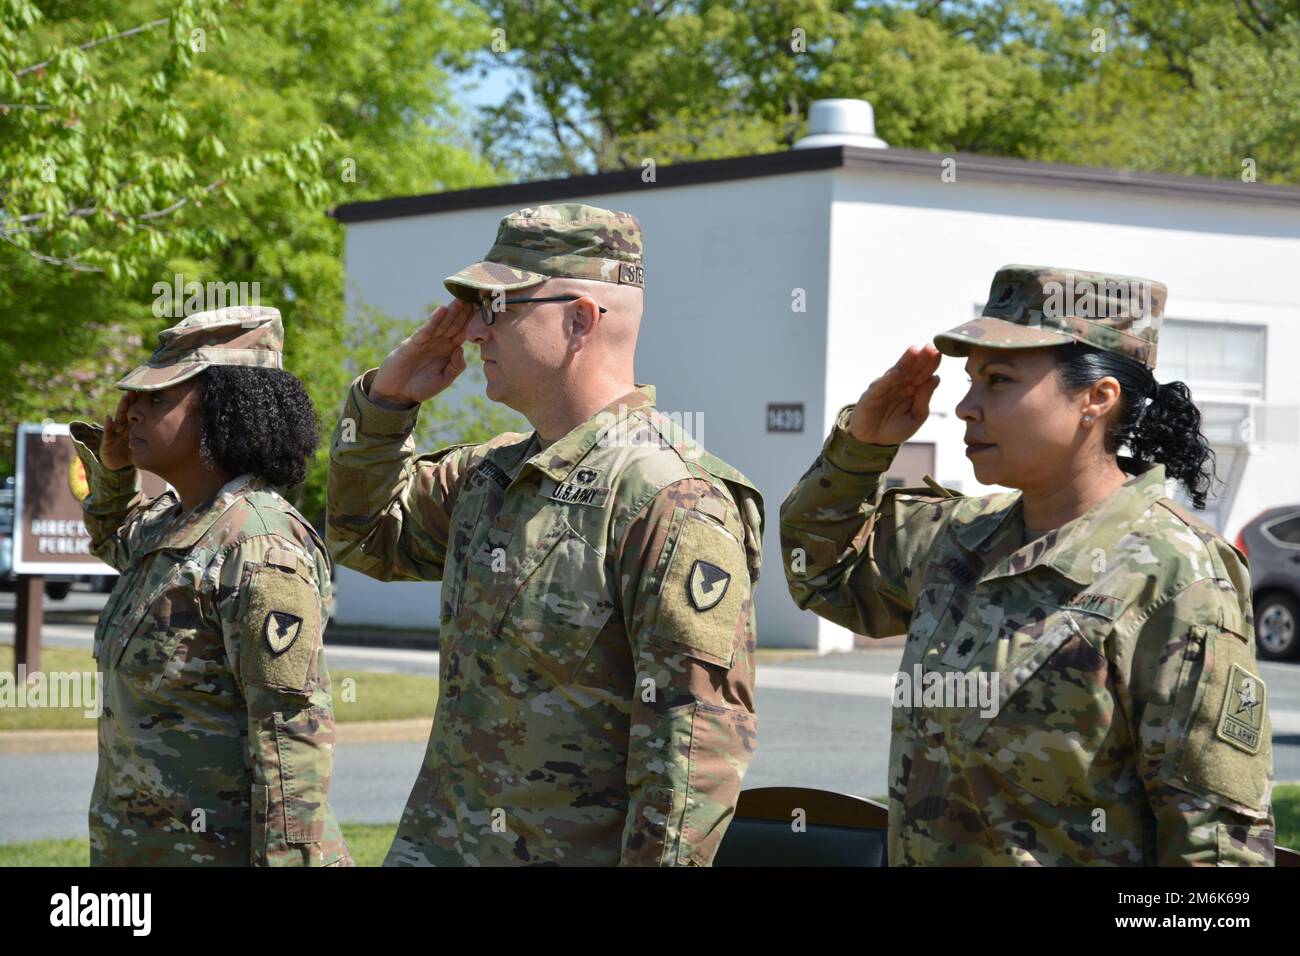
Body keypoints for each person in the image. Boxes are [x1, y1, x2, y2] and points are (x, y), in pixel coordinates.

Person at [780, 265, 1274, 865]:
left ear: (1097, 398)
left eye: (999, 380)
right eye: (970, 381)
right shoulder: (961, 536)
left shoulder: (1176, 575)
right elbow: (821, 573)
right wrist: (861, 447)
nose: (965, 407)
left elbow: (1216, 852)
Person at [327, 203, 763, 866]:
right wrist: (385, 406)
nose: (473, 330)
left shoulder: (670, 498)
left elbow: (691, 752)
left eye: (497, 306)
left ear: (579, 319)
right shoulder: (491, 475)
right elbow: (363, 534)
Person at [70, 306, 352, 866]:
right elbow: (115, 536)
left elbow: (287, 737)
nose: (131, 414)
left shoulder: (259, 545)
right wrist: (116, 469)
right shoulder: (179, 522)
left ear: (223, 413)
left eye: (159, 398)